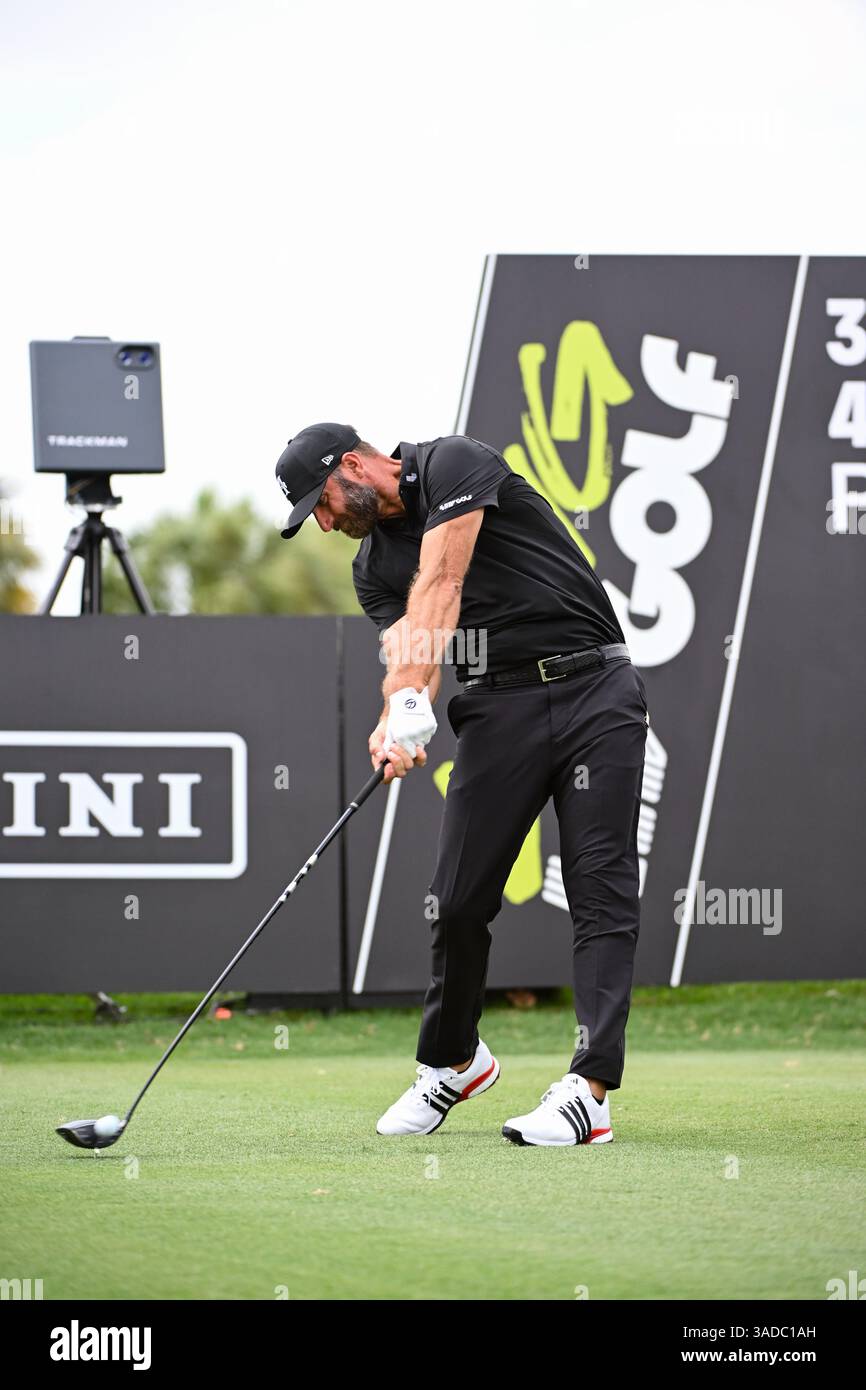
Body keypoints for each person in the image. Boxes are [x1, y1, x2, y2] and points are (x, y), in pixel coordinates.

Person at [275, 422, 648, 1147]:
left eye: (320, 503)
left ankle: (590, 1089)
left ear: (353, 465)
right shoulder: (370, 568)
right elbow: (407, 645)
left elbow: (443, 578)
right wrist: (395, 720)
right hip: (497, 709)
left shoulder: (454, 464)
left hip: (594, 690)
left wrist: (412, 693)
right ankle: (455, 1060)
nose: (323, 523)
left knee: (599, 888)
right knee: (456, 900)